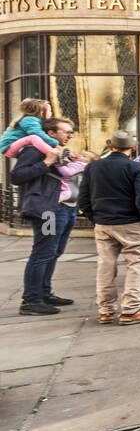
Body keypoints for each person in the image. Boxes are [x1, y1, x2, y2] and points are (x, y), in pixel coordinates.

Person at [78, 130, 140, 325]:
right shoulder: (136, 168)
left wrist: (95, 218)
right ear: (132, 148)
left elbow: (83, 199)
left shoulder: (93, 167)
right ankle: (131, 310)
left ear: (111, 147)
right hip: (131, 223)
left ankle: (105, 310)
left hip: (104, 223)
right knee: (136, 266)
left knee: (105, 266)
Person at [10, 117, 79, 315]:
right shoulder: (35, 151)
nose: (70, 135)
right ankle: (31, 300)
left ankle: (44, 292)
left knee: (55, 251)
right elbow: (17, 176)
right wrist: (47, 162)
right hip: (48, 211)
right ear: (51, 133)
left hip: (66, 209)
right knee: (43, 252)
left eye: (71, 131)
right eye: (66, 131)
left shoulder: (57, 150)